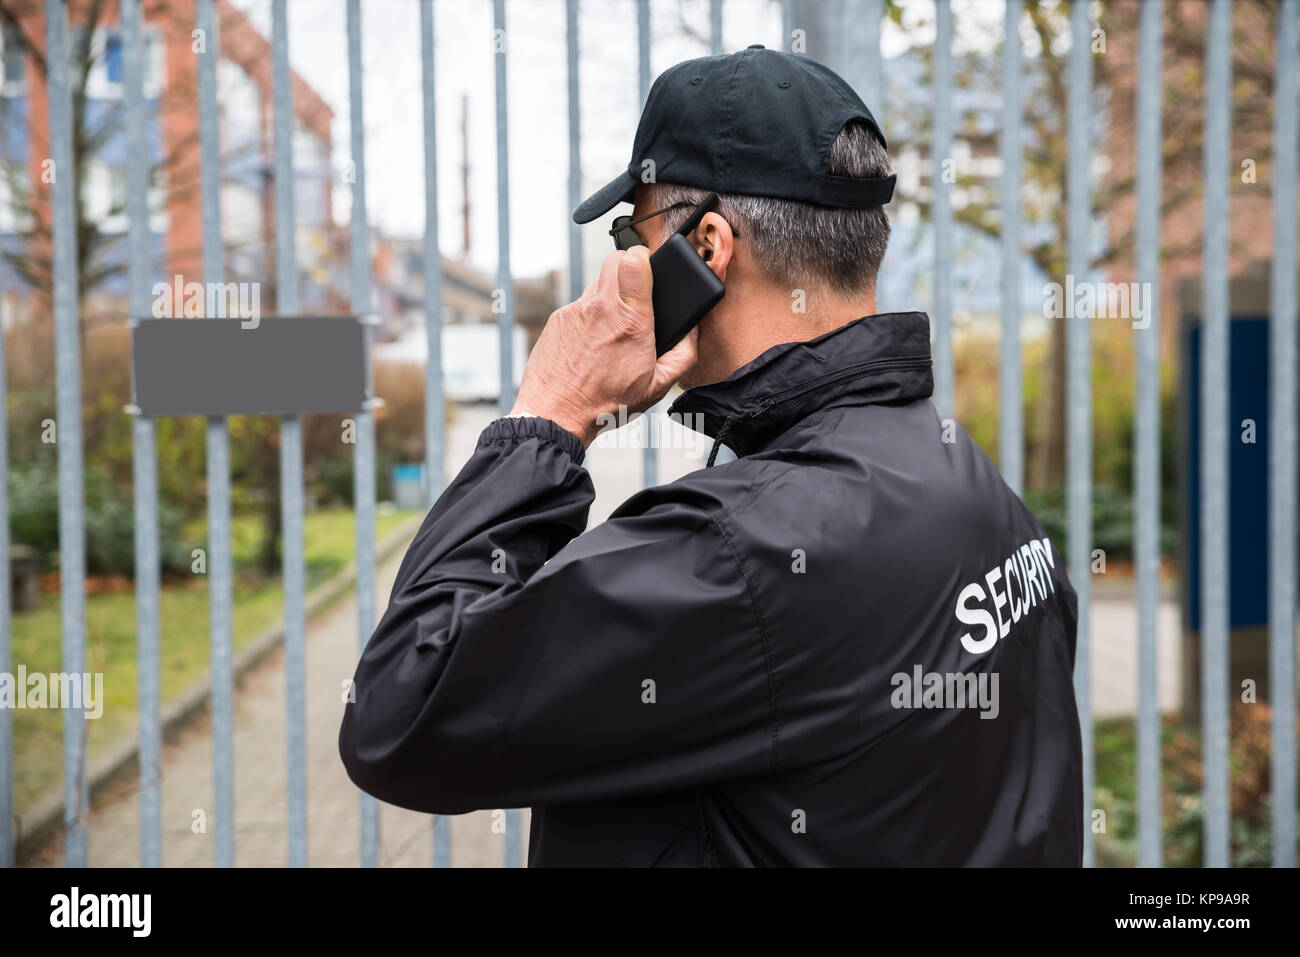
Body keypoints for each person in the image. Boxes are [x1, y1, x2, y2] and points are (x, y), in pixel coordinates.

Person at [339, 45, 1082, 867]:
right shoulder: (971, 482)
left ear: (710, 247)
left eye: (636, 230)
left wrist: (550, 417)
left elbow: (401, 712)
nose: (629, 257)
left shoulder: (741, 551)